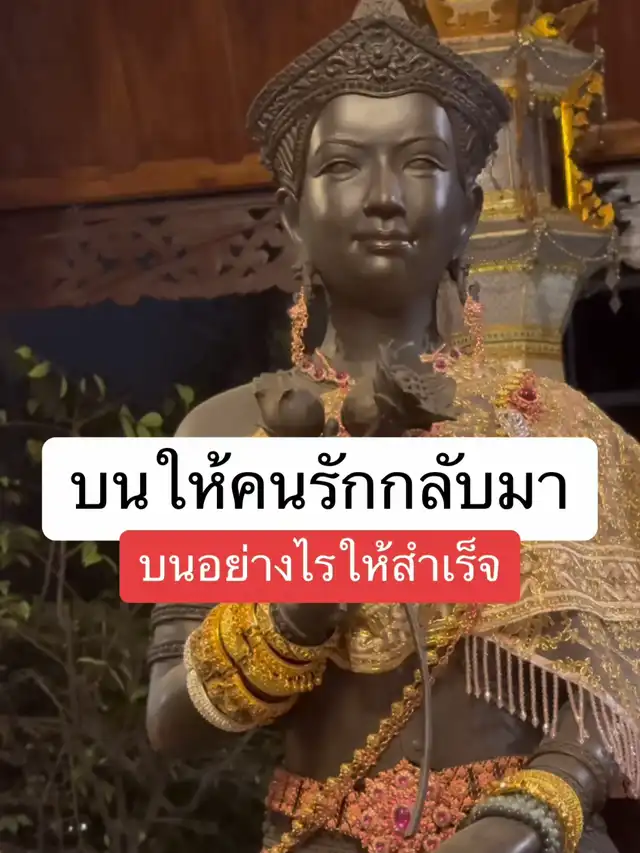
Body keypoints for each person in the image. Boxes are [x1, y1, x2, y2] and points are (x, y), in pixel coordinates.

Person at [145, 5, 640, 853]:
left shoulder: (558, 428)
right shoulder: (223, 435)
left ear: (467, 208)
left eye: (420, 163)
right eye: (344, 165)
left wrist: (534, 807)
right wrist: (300, 600)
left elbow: (625, 669)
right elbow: (170, 722)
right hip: (323, 833)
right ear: (293, 213)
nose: (383, 197)